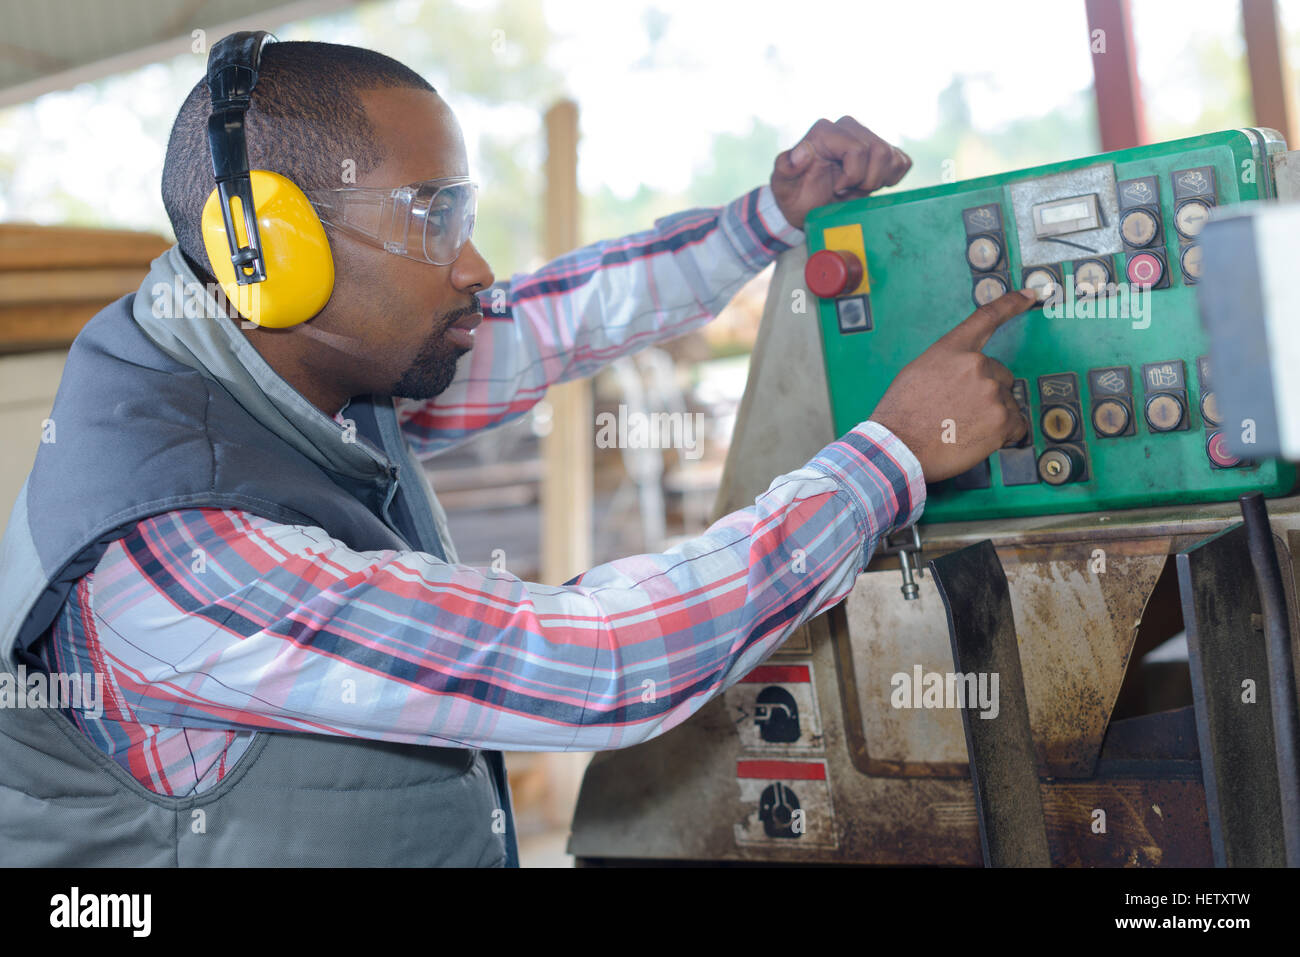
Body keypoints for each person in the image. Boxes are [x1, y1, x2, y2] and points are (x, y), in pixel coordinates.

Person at [0, 33, 1031, 867]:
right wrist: (891, 455)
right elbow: (598, 662)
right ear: (269, 249)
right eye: (433, 219)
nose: (475, 267)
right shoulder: (178, 554)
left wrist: (762, 221)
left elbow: (548, 322)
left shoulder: (297, 366)